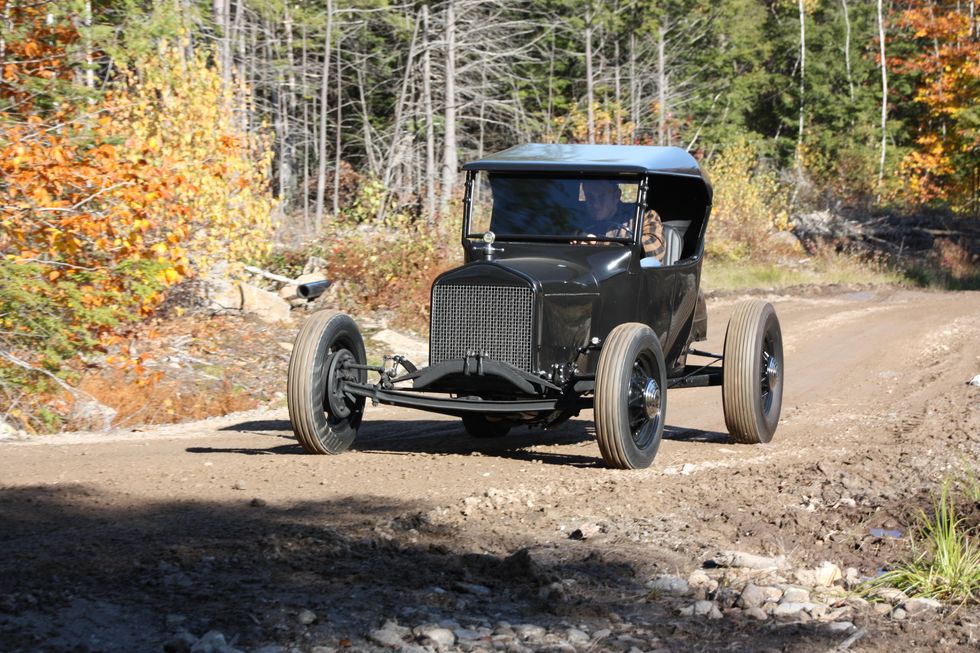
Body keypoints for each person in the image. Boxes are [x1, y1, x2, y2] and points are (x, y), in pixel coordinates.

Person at [581, 180, 665, 263]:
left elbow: (655, 249)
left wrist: (599, 244)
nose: (596, 204)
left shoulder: (642, 216)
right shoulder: (578, 218)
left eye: (602, 196)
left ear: (617, 196)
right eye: (590, 196)